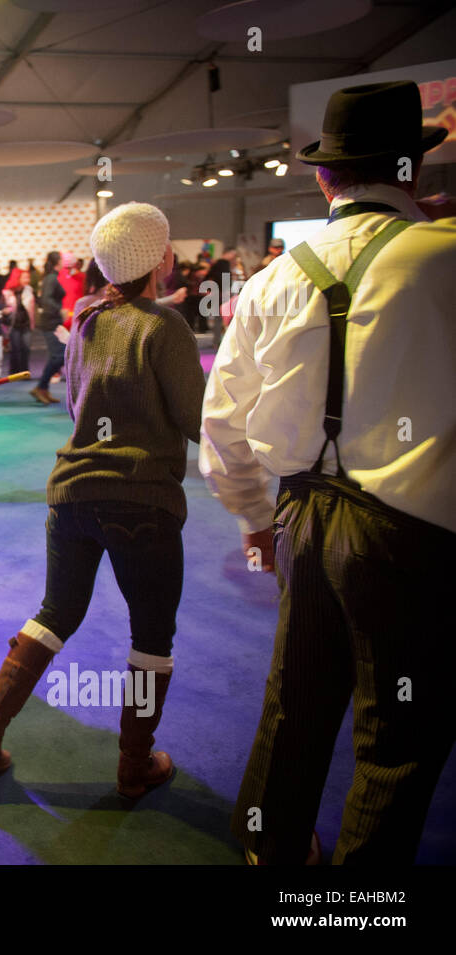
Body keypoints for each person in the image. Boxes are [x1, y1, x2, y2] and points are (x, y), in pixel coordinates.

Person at [199, 80, 456, 865]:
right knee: (398, 738)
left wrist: (252, 520)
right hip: (413, 532)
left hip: (301, 518)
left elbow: (222, 422)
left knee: (294, 700)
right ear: (411, 169)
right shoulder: (444, 260)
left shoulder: (274, 278)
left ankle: (268, 852)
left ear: (323, 177)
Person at [0, 202, 205, 802]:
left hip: (71, 493)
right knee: (151, 635)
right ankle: (134, 764)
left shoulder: (87, 317)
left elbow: (78, 409)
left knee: (54, 612)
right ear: (160, 258)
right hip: (142, 503)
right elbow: (200, 421)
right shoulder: (164, 328)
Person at [32, 251, 65, 405]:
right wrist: (59, 310)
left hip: (51, 321)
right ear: (58, 262)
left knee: (57, 355)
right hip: (50, 321)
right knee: (60, 355)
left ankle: (43, 388)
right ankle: (41, 387)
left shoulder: (51, 277)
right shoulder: (51, 278)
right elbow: (45, 300)